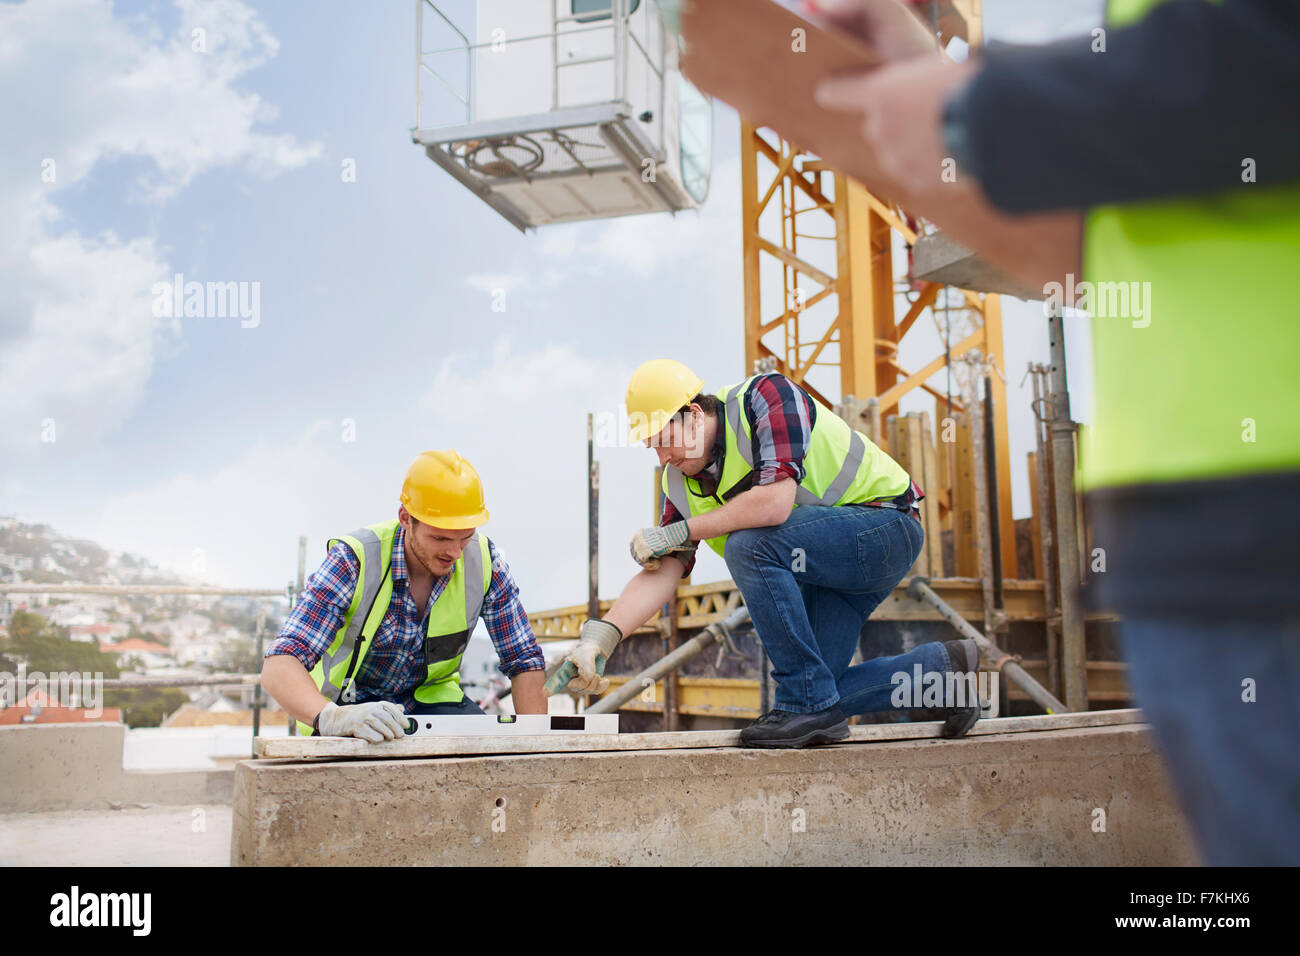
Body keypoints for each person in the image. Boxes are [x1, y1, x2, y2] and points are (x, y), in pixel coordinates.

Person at [807, 0, 1300, 863]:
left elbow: (1255, 62)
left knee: (769, 546)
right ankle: (858, 688)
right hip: (1200, 537)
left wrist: (980, 109)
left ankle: (814, 698)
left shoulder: (757, 417)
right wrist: (936, 82)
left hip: (1260, 526)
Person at [545, 359, 982, 748]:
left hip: (886, 527)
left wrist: (681, 529)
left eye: (665, 439)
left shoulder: (766, 398)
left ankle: (806, 699)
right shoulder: (677, 484)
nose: (663, 457)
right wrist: (600, 639)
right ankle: (943, 671)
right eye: (652, 448)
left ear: (694, 415)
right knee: (820, 696)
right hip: (824, 569)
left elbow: (773, 504)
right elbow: (667, 568)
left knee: (749, 544)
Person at [261, 450, 547, 742]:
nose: (455, 552)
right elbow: (280, 664)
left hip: (433, 705)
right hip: (351, 708)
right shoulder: (355, 561)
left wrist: (538, 745)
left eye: (465, 537)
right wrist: (332, 717)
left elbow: (523, 659)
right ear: (406, 519)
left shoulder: (484, 561)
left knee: (483, 755)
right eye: (440, 538)